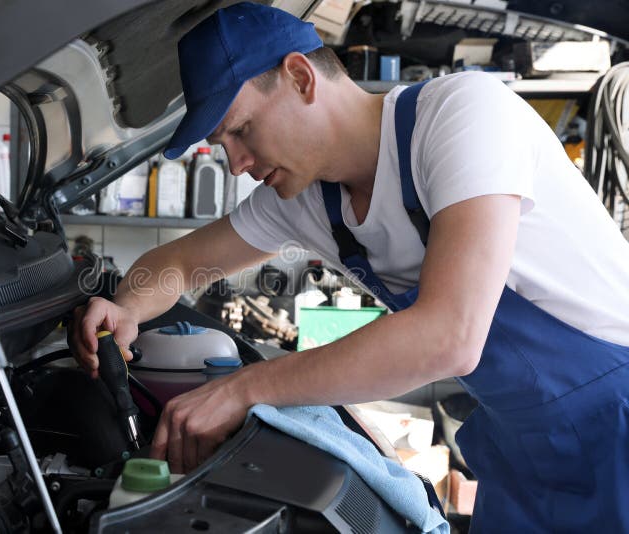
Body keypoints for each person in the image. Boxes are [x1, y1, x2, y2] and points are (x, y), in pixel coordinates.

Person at [68, 2, 629, 531]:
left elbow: (450, 336)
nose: (236, 164)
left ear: (300, 78)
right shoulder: (310, 199)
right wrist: (125, 306)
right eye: (222, 145)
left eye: (240, 130)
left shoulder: (462, 116)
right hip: (523, 452)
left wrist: (243, 389)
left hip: (619, 426)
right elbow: (182, 263)